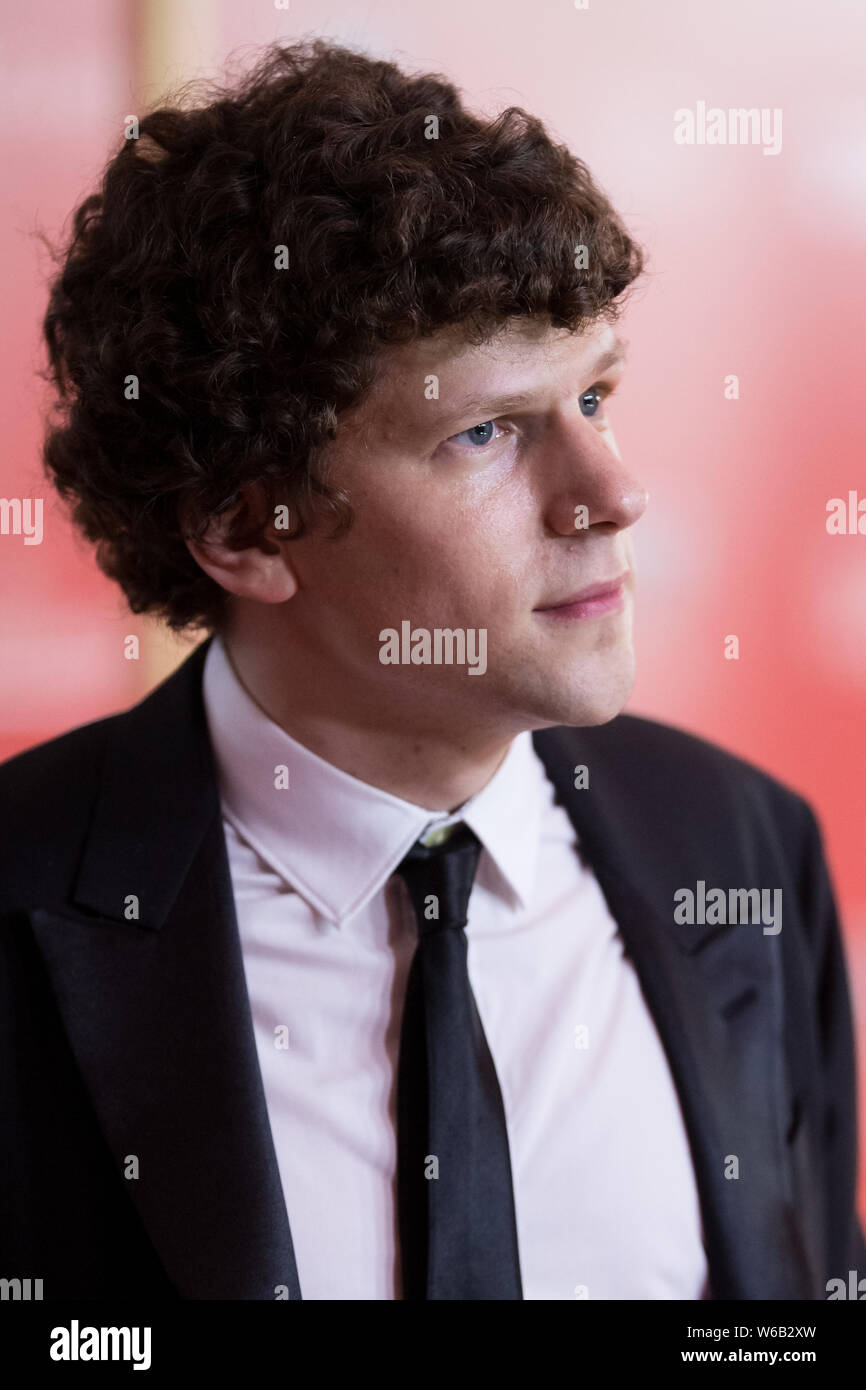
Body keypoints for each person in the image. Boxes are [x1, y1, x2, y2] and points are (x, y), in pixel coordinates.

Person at [1, 37, 862, 1301]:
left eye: (597, 397)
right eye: (484, 430)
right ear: (247, 529)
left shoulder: (739, 847)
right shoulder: (25, 901)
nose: (610, 495)